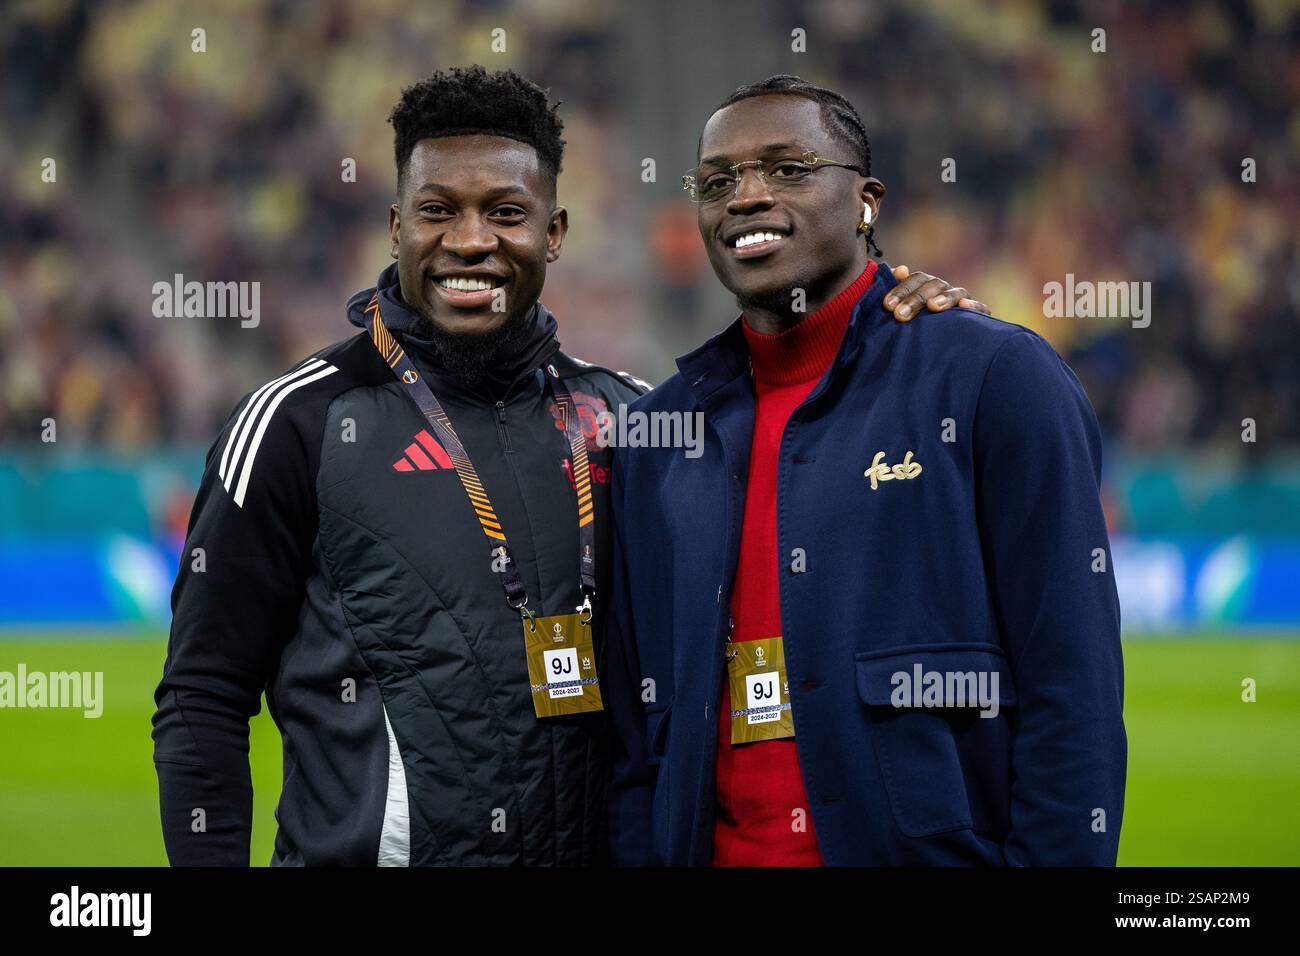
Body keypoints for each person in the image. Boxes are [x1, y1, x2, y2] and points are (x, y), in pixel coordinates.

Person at [151, 66, 980, 866]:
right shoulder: (298, 420)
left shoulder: (636, 420)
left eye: (506, 212)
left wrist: (898, 306)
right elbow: (202, 699)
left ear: (553, 233)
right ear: (398, 225)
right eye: (438, 211)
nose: (469, 242)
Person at [605, 75, 1126, 866]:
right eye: (717, 181)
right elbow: (639, 744)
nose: (745, 195)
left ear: (865, 202)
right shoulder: (657, 435)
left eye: (787, 168)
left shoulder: (995, 377)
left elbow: (1072, 691)